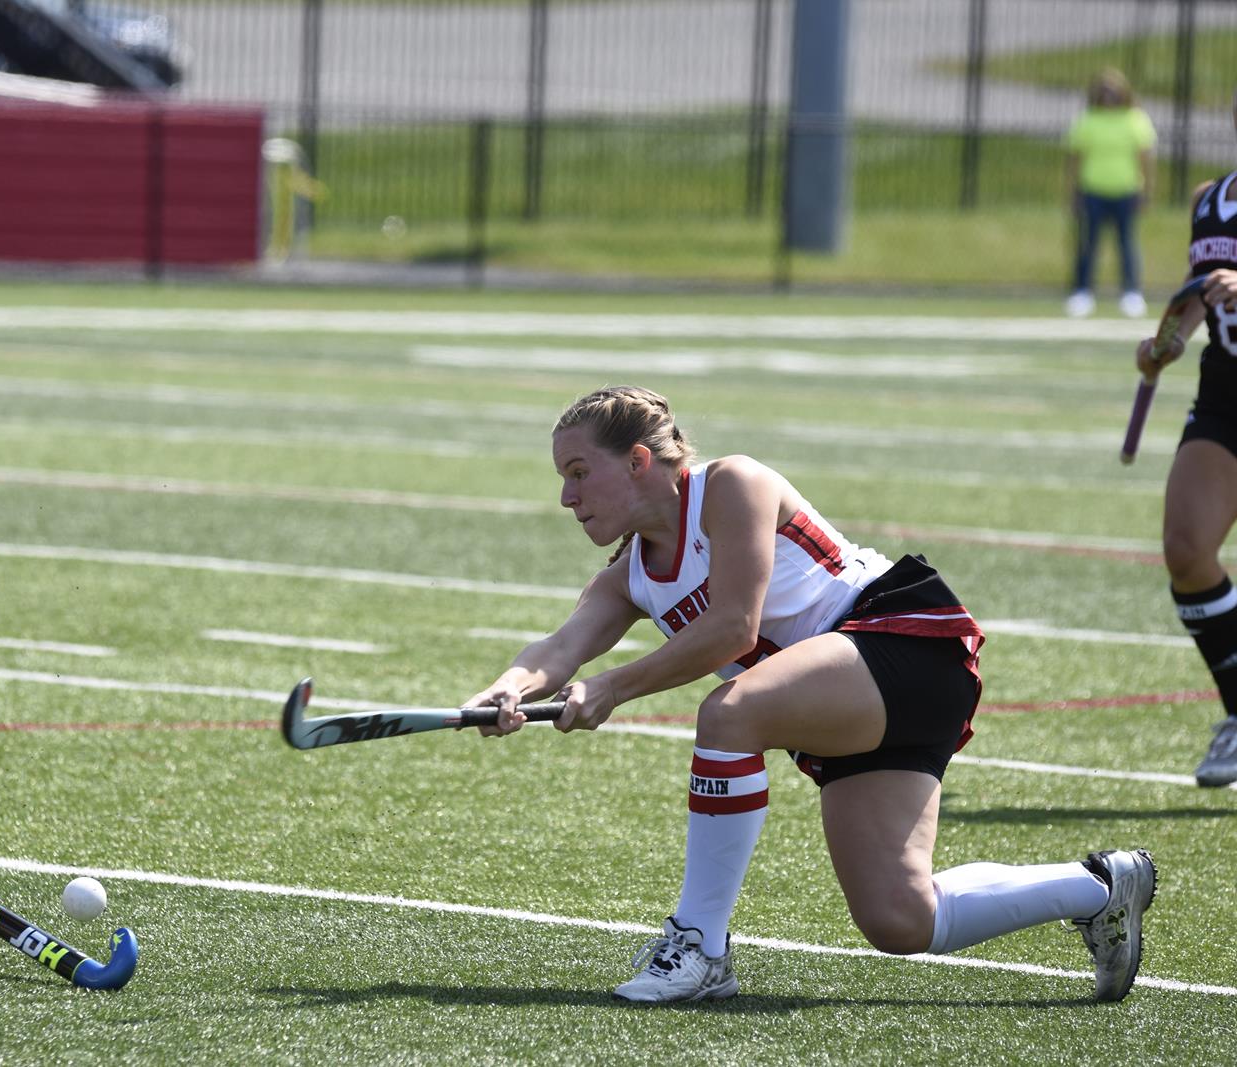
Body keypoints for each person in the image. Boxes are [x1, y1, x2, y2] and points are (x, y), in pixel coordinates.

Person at [466, 385, 1157, 1003]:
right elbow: (557, 650)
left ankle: (699, 944)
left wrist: (613, 686)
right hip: (845, 702)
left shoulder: (733, 483)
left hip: (905, 646)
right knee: (900, 918)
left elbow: (734, 626)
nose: (567, 497)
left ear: (640, 461)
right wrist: (505, 691)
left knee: (730, 711)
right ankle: (1099, 886)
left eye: (579, 473)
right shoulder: (629, 577)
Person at [1130, 105, 1237, 786]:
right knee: (1187, 547)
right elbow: (1200, 292)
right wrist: (1167, 340)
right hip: (1226, 401)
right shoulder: (1213, 201)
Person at [1063, 68, 1156, 320]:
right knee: (1088, 243)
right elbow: (1075, 158)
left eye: (1113, 91)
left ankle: (1131, 293)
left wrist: (1146, 191)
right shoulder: (1087, 119)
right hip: (1093, 191)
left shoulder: (1135, 119)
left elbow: (1145, 158)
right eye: (1104, 91)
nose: (1109, 95)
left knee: (1126, 243)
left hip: (1126, 191)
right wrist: (1072, 192)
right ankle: (1082, 291)